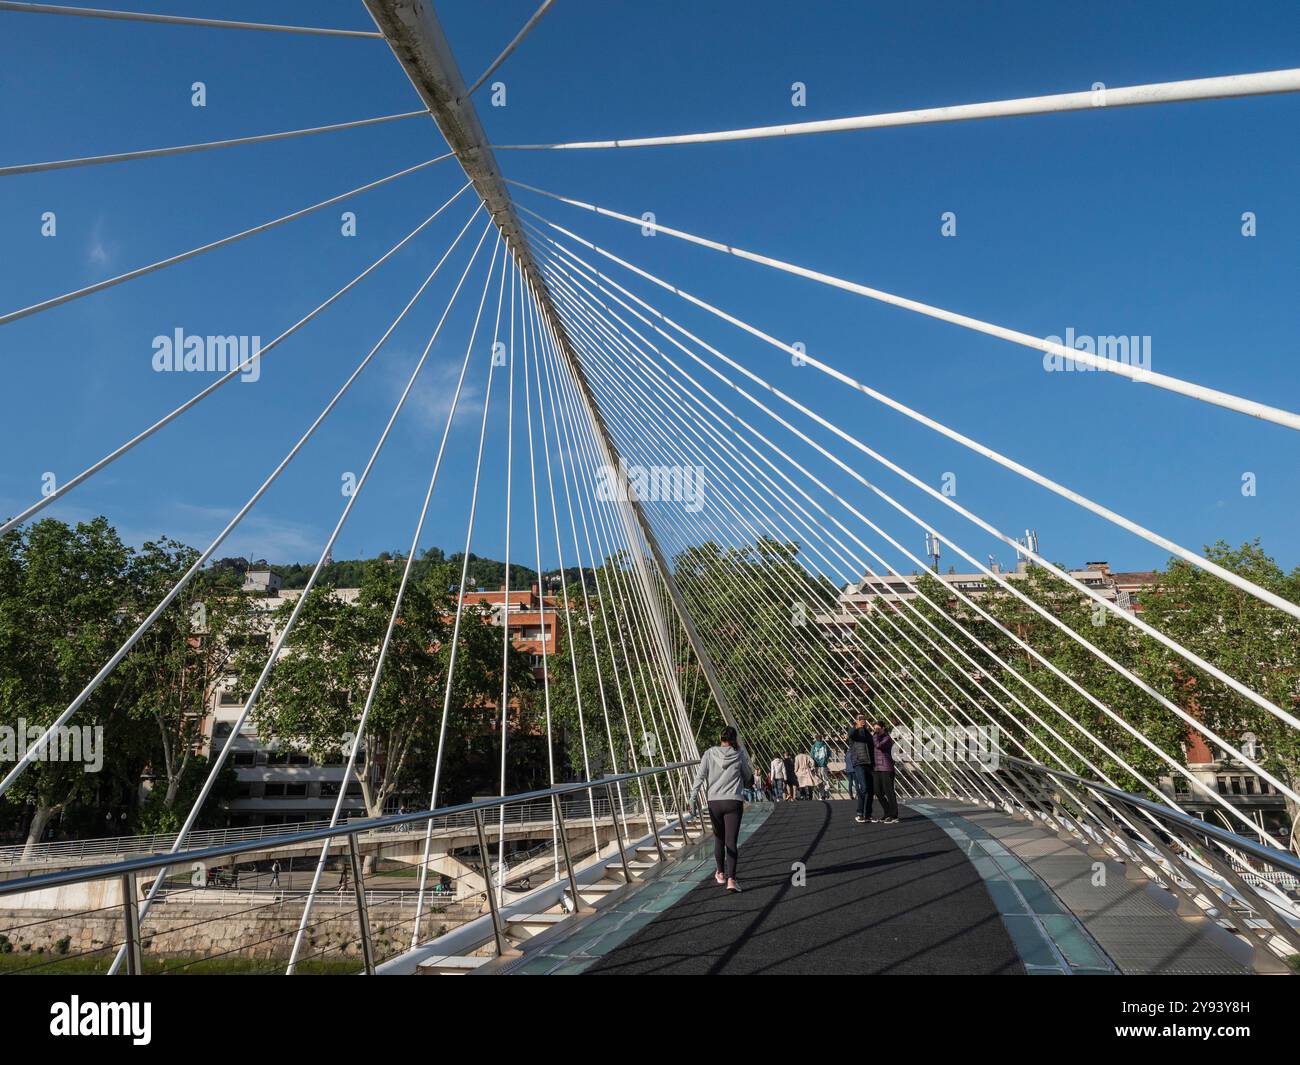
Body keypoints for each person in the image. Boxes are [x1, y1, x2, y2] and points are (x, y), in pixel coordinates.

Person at [692, 725, 754, 893]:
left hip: (714, 802)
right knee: (731, 841)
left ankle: (720, 873)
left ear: (720, 738)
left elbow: (700, 776)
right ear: (734, 739)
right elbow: (748, 777)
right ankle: (731, 880)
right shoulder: (739, 754)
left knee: (719, 838)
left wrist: (693, 797)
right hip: (733, 801)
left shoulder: (709, 753)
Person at [846, 714, 877, 823]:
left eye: (864, 719)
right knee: (863, 788)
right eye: (860, 719)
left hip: (869, 764)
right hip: (859, 763)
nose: (862, 721)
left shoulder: (867, 732)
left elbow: (872, 746)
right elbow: (849, 734)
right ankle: (860, 813)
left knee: (871, 789)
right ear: (856, 721)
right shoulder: (854, 731)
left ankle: (868, 814)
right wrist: (857, 727)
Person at [873, 721, 899, 824]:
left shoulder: (887, 738)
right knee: (878, 792)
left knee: (889, 792)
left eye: (878, 728)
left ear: (883, 728)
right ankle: (887, 812)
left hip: (887, 768)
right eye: (875, 728)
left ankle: (894, 815)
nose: (876, 730)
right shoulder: (876, 737)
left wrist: (875, 735)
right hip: (877, 769)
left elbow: (878, 745)